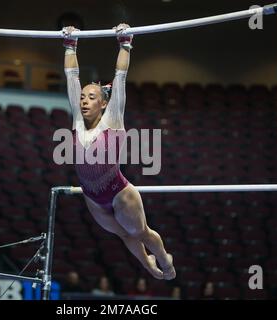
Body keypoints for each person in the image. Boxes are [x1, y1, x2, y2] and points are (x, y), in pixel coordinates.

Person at [62, 23, 175, 281]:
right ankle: (147, 265)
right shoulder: (77, 121)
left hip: (119, 194)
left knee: (140, 233)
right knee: (125, 235)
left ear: (104, 103)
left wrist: (125, 42)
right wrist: (70, 45)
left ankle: (164, 259)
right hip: (93, 199)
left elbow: (120, 75)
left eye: (91, 97)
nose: (83, 101)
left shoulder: (112, 118)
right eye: (82, 97)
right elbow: (71, 76)